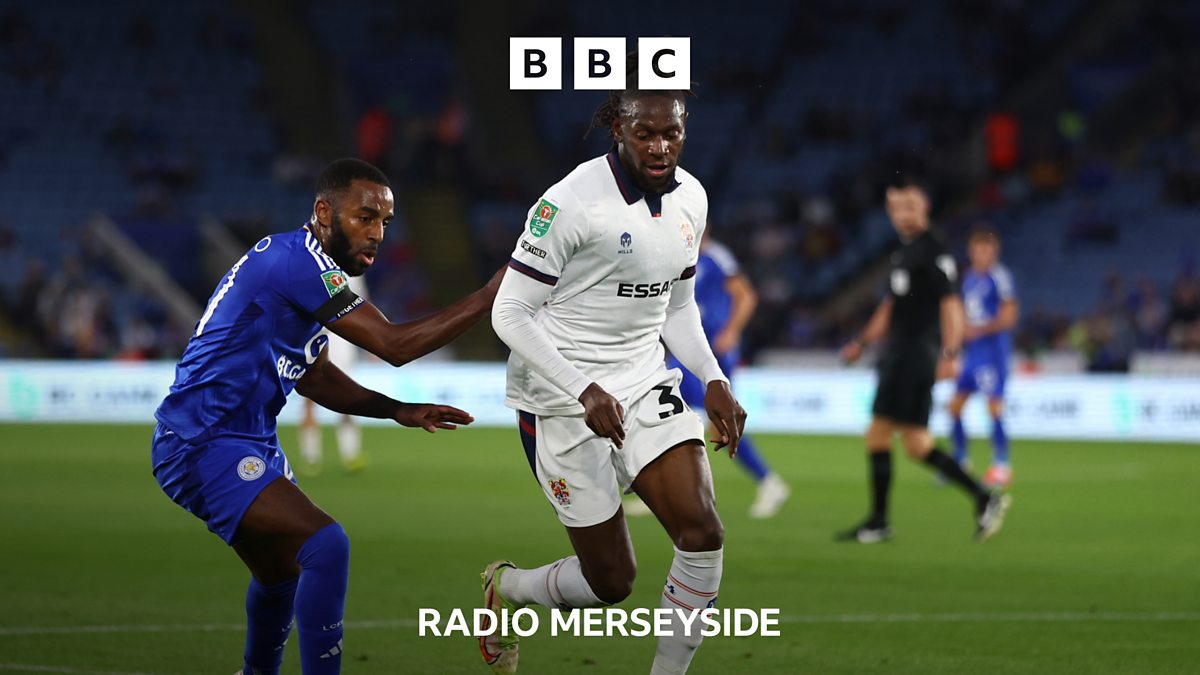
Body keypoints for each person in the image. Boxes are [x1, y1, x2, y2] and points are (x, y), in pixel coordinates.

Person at [151, 158, 501, 675]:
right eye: (365, 217)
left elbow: (314, 377)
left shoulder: (308, 268)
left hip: (247, 440)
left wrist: (396, 409)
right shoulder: (295, 263)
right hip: (200, 440)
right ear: (323, 212)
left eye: (385, 221)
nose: (378, 233)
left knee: (279, 575)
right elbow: (394, 345)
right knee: (324, 544)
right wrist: (491, 296)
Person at [482, 59, 746, 675]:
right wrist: (582, 389)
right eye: (644, 134)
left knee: (703, 533)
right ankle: (509, 589)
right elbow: (509, 314)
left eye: (671, 134)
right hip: (559, 394)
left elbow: (677, 306)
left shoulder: (692, 199)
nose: (659, 147)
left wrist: (713, 378)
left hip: (641, 379)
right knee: (610, 581)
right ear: (617, 130)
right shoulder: (570, 203)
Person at [837, 178, 1010, 544]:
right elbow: (891, 305)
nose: (903, 214)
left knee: (878, 434)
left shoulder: (933, 250)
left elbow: (950, 304)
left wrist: (951, 353)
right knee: (916, 443)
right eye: (896, 207)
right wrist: (862, 342)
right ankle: (984, 497)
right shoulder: (906, 251)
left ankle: (879, 521)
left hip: (913, 354)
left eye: (909, 206)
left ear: (924, 207)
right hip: (900, 352)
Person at [629, 230, 789, 518]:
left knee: (705, 418)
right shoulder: (677, 256)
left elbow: (746, 296)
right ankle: (661, 490)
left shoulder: (717, 257)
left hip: (712, 351)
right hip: (687, 348)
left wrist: (731, 332)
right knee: (680, 414)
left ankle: (767, 482)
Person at [948, 229, 1019, 489]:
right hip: (971, 354)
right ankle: (960, 461)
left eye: (987, 250)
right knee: (954, 407)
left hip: (992, 352)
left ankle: (1001, 465)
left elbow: (1009, 316)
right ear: (971, 251)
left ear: (995, 251)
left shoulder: (999, 277)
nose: (982, 254)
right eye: (978, 249)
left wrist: (977, 329)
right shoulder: (968, 278)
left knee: (994, 407)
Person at [299, 275, 370, 475]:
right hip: (317, 335)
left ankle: (351, 454)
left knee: (347, 394)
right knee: (310, 398)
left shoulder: (355, 271)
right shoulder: (315, 266)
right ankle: (310, 456)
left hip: (343, 341)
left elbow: (364, 305)